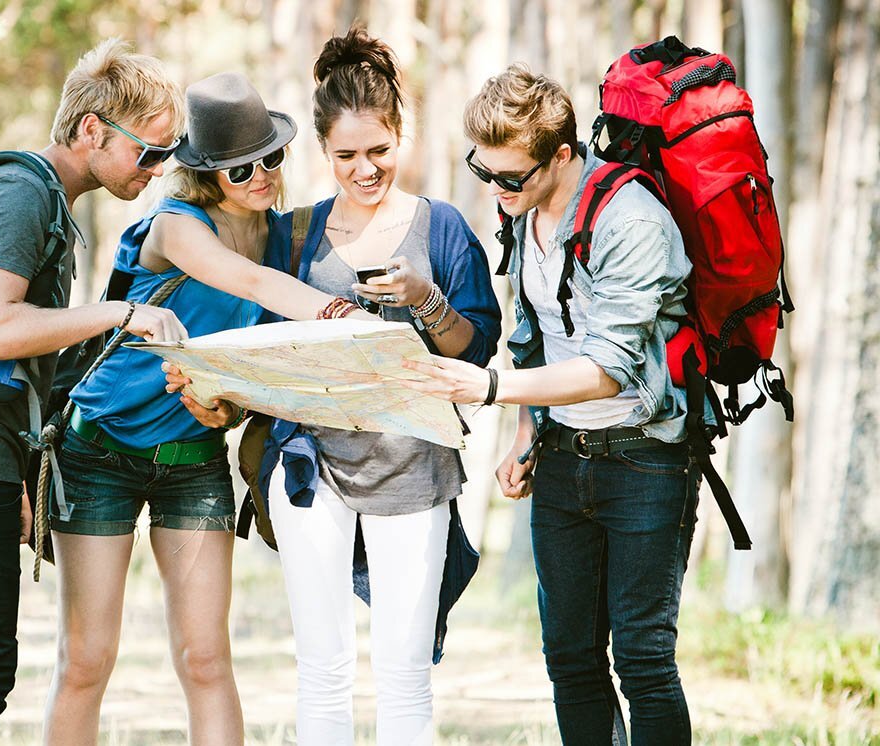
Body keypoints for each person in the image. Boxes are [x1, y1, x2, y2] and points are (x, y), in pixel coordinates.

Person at [41, 72, 377, 746]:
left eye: (270, 159)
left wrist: (225, 408)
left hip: (194, 460)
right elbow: (246, 282)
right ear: (205, 174)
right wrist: (345, 314)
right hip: (100, 450)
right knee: (87, 659)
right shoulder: (176, 225)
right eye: (237, 168)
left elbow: (259, 364)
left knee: (205, 658)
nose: (258, 176)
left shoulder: (282, 239)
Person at [0, 40, 188, 745]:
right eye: (149, 152)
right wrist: (121, 313)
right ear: (91, 131)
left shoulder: (48, 201)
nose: (161, 168)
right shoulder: (21, 193)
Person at [403, 64, 699, 745]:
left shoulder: (632, 218)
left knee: (644, 661)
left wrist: (493, 387)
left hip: (646, 459)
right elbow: (537, 334)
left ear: (562, 155)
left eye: (513, 178)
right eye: (486, 175)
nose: (498, 192)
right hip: (564, 458)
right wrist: (523, 432)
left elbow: (607, 370)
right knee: (569, 659)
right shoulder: (524, 212)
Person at [255, 28, 501, 746]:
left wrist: (426, 300)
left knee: (403, 672)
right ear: (322, 153)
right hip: (308, 467)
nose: (365, 169)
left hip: (414, 464)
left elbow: (476, 351)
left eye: (379, 151)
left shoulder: (442, 227)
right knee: (322, 669)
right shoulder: (293, 234)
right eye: (346, 156)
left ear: (404, 135)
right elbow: (266, 341)